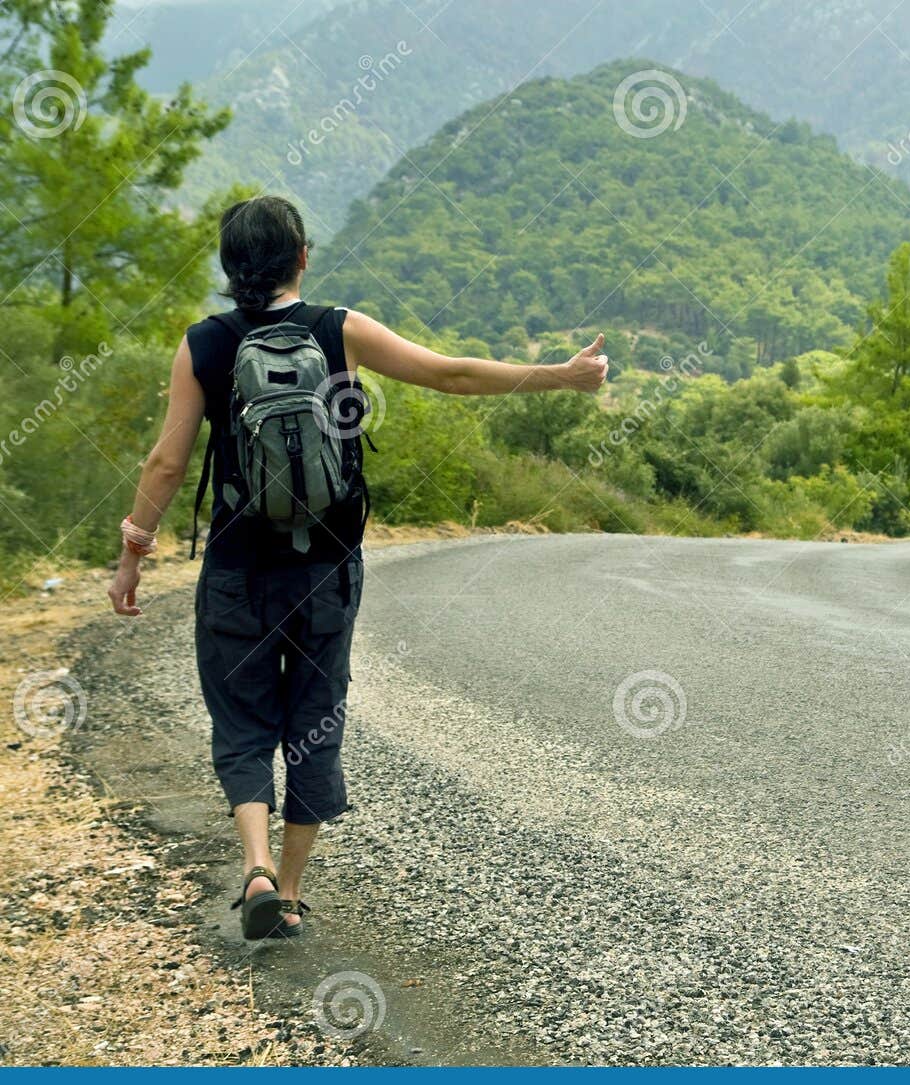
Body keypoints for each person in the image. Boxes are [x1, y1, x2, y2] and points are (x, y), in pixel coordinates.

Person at [108, 195, 607, 939]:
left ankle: (255, 868)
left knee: (242, 720)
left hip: (237, 571)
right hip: (326, 570)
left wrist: (131, 558)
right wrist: (564, 378)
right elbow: (452, 376)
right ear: (302, 257)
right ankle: (295, 892)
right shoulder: (337, 330)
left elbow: (167, 462)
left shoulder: (204, 345)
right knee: (314, 720)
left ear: (227, 266)